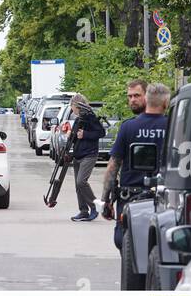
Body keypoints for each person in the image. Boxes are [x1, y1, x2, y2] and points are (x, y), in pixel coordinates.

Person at [102, 81, 170, 249]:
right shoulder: (174, 126)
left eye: (136, 96)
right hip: (165, 197)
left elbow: (113, 165)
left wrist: (106, 200)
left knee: (125, 241)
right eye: (130, 96)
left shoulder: (128, 127)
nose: (132, 99)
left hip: (130, 197)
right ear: (166, 103)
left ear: (146, 97)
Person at [67, 94, 104, 222]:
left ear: (77, 106)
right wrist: (70, 135)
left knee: (81, 181)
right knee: (78, 185)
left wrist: (85, 134)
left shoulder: (90, 118)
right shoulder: (79, 119)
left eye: (73, 107)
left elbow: (101, 132)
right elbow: (75, 136)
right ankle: (83, 211)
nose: (72, 110)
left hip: (89, 154)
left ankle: (94, 206)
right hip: (78, 154)